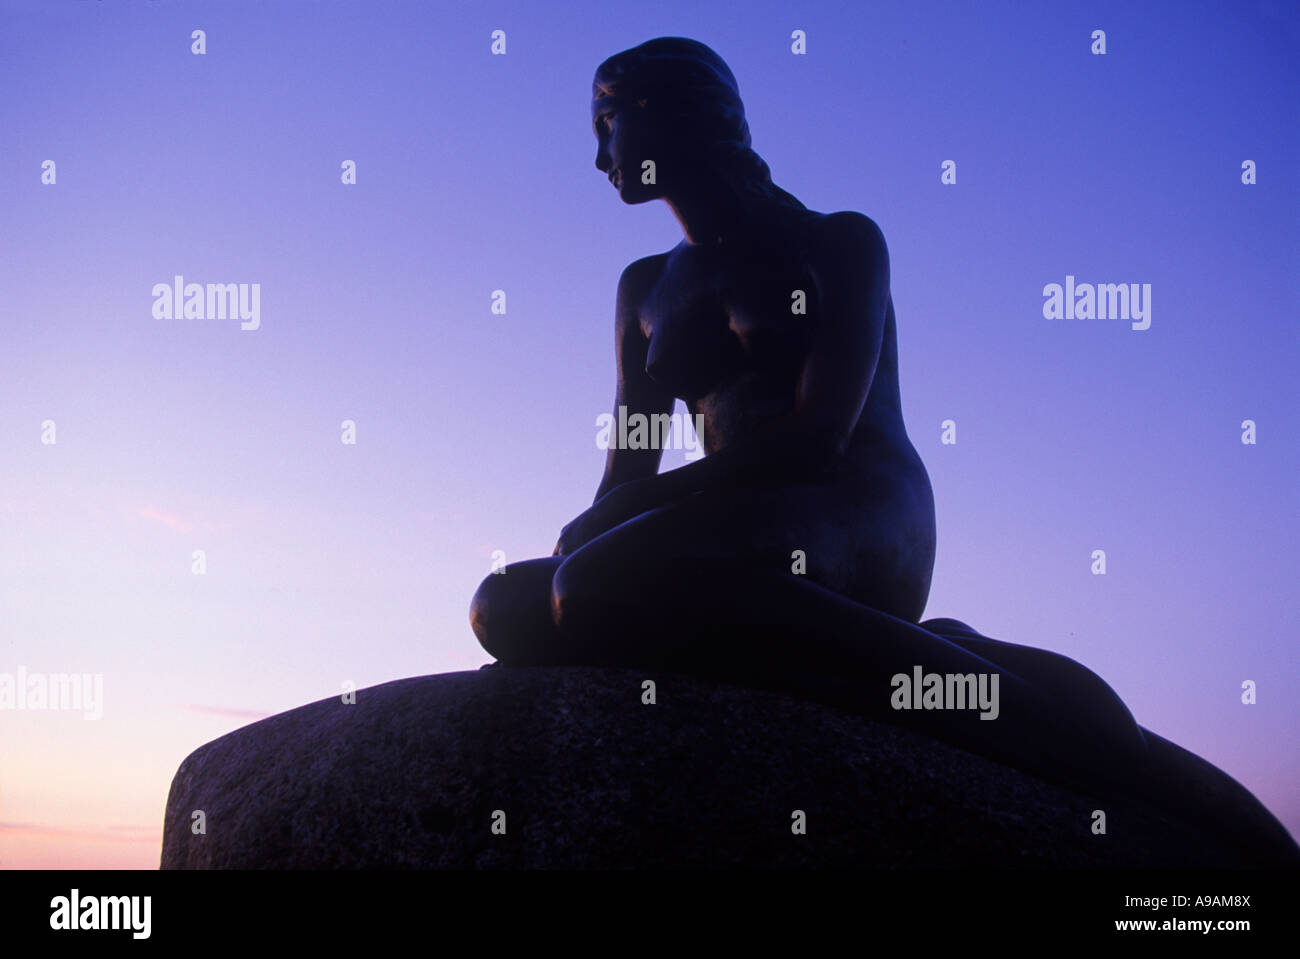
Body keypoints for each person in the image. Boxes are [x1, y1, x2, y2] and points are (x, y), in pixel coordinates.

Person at [470, 37, 1147, 784]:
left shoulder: (836, 241)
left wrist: (630, 518)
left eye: (607, 125)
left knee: (596, 589)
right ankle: (885, 648)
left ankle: (990, 695)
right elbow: (632, 457)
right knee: (506, 605)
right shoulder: (644, 289)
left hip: (854, 507)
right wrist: (595, 528)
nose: (600, 158)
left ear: (670, 113)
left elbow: (820, 436)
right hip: (732, 521)